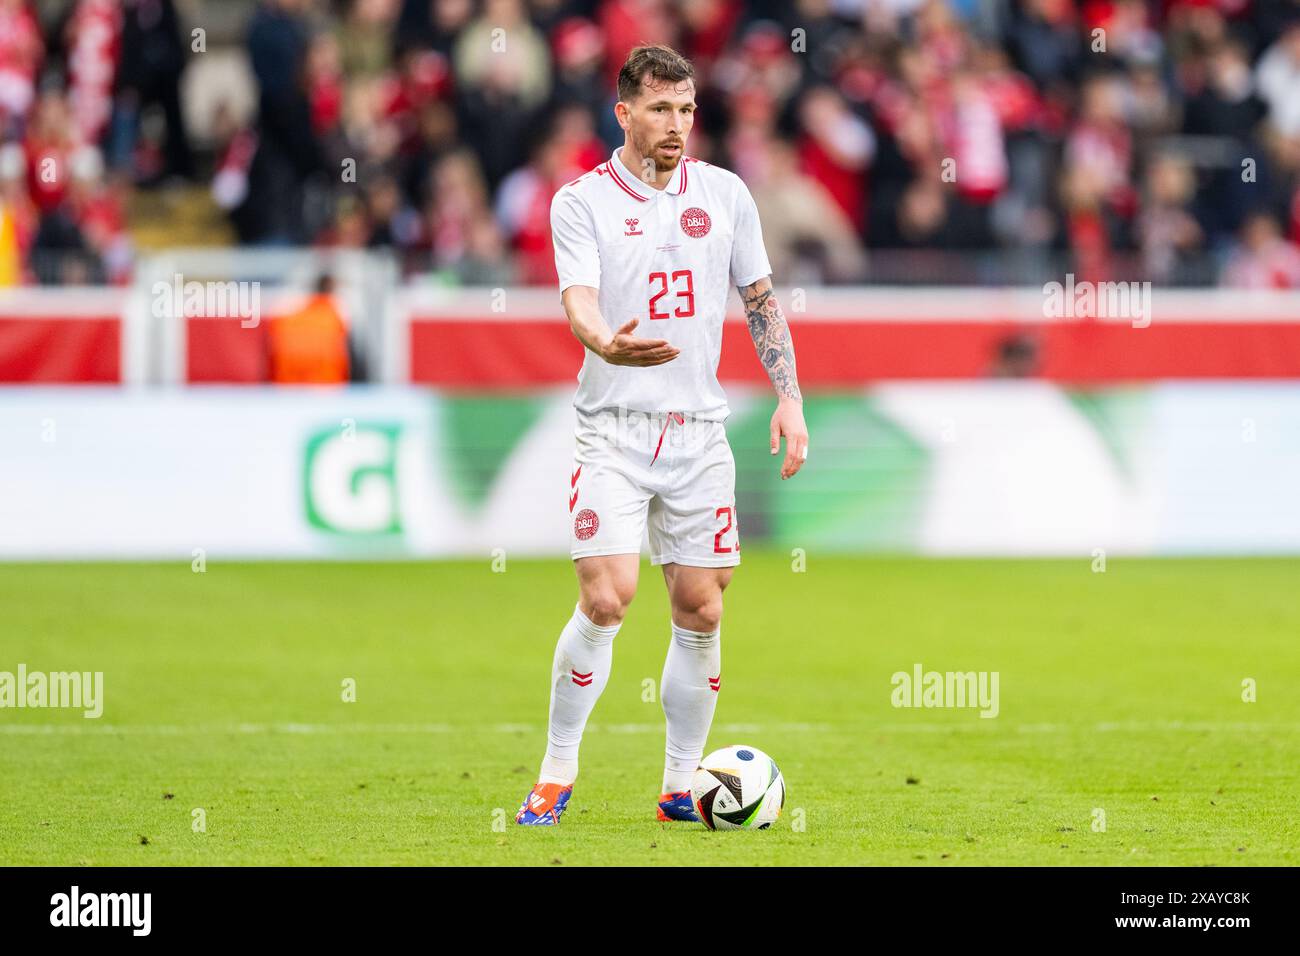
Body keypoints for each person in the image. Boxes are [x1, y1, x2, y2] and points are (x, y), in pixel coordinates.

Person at [516, 44, 809, 826]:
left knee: (702, 609)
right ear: (624, 114)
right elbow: (577, 298)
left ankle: (680, 786)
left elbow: (760, 300)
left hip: (698, 433)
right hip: (613, 429)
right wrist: (603, 340)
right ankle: (555, 771)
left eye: (686, 109)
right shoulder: (581, 201)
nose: (677, 124)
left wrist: (790, 396)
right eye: (659, 109)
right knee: (608, 597)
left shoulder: (724, 193)